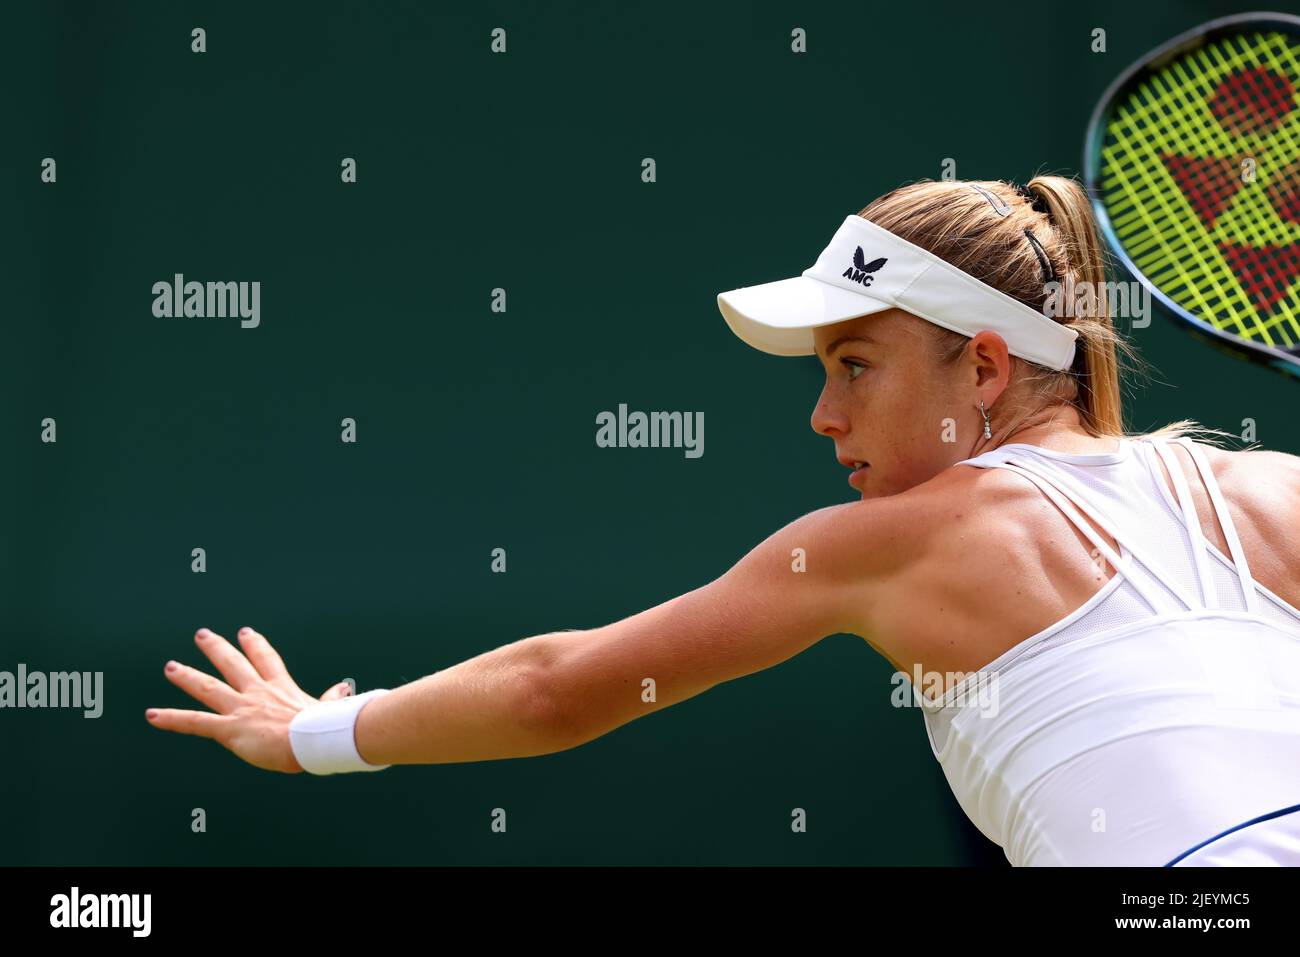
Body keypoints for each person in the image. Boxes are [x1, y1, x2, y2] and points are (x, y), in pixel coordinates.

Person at [146, 176, 1300, 866]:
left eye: (854, 365)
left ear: (985, 368)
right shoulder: (1275, 491)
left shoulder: (886, 543)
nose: (822, 415)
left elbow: (556, 688)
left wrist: (312, 735)